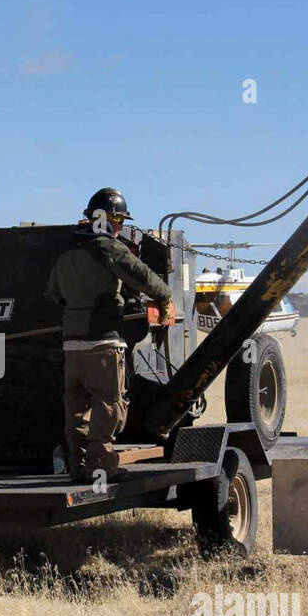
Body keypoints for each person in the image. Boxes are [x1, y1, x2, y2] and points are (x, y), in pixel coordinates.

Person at [45, 188, 175, 483]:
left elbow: (54, 294)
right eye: (119, 220)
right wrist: (165, 297)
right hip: (102, 344)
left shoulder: (67, 253)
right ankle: (101, 469)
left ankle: (78, 468)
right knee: (108, 407)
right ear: (108, 219)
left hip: (72, 346)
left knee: (76, 410)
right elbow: (142, 276)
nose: (120, 227)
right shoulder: (108, 248)